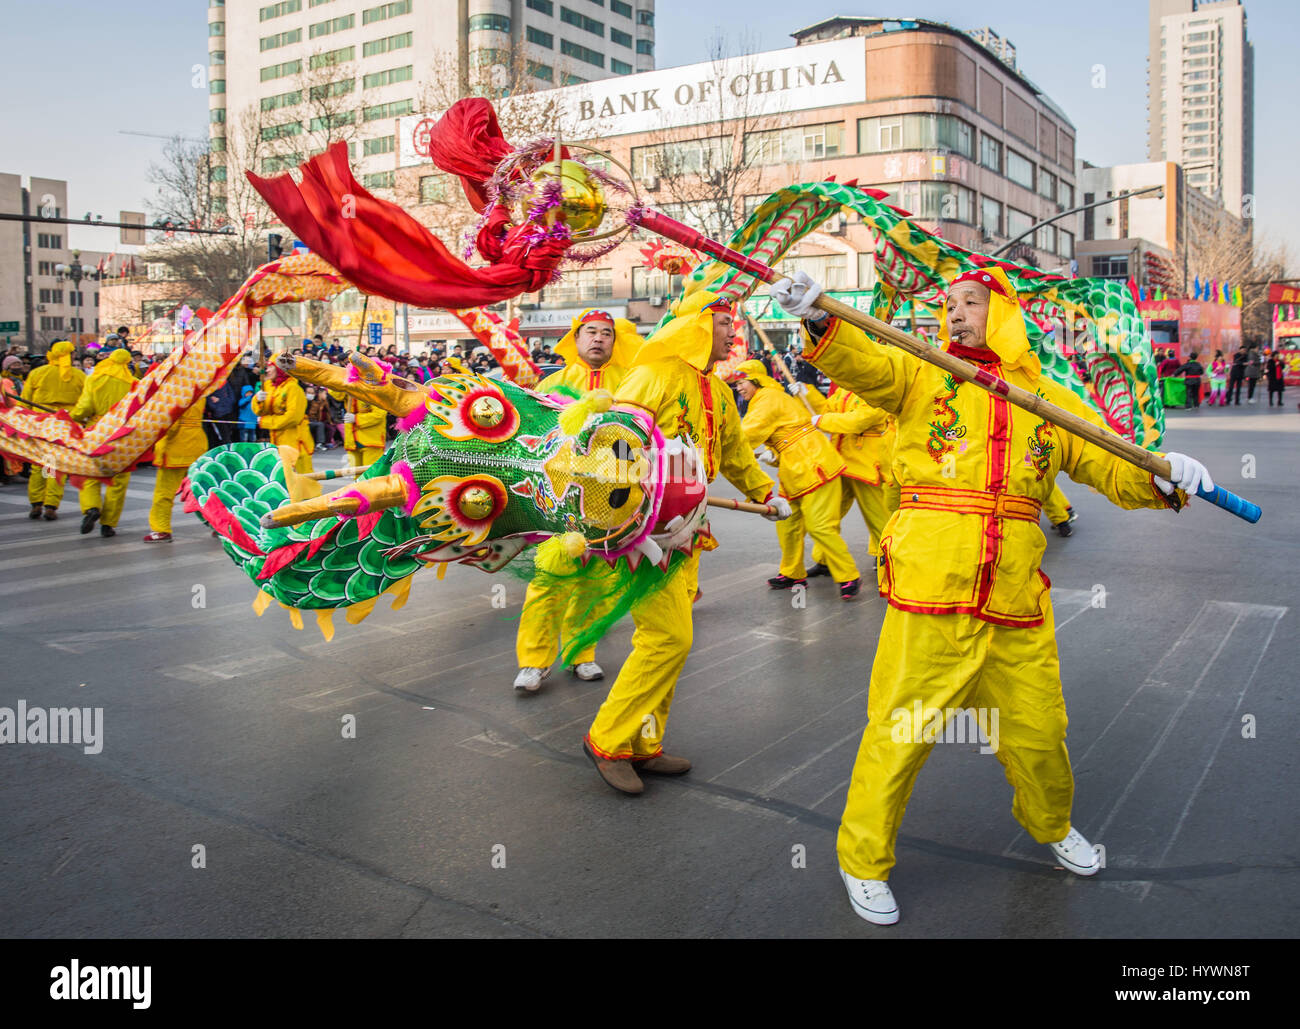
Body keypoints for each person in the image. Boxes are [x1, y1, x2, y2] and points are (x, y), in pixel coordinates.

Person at [773, 267, 1211, 925]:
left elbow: (1108, 462)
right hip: (931, 590)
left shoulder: (1050, 400)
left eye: (970, 303)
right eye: (947, 305)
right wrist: (818, 321)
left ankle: (1051, 821)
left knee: (1041, 732)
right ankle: (862, 859)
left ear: (1002, 313)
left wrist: (1165, 474)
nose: (954, 314)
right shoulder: (922, 372)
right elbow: (867, 366)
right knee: (901, 731)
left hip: (1014, 598)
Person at [582, 291, 788, 795]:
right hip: (645, 534)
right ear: (696, 327)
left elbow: (735, 451)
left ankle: (644, 743)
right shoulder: (654, 376)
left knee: (665, 641)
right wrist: (628, 510)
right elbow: (607, 444)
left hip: (688, 531)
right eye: (720, 321)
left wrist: (764, 491)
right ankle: (607, 739)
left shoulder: (716, 390)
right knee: (669, 638)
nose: (729, 331)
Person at [514, 309, 643, 693]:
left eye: (607, 333)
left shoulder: (633, 384)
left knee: (597, 585)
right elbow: (536, 437)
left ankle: (580, 655)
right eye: (591, 332)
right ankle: (534, 662)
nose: (599, 339)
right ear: (576, 337)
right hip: (563, 500)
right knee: (548, 582)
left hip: (612, 502)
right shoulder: (553, 384)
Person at [731, 359, 861, 599]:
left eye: (742, 383)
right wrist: (774, 454)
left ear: (756, 380)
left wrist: (718, 447)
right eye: (736, 384)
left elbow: (745, 435)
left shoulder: (768, 398)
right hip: (796, 468)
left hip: (814, 464)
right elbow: (784, 436)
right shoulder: (767, 398)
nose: (738, 388)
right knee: (787, 524)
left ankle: (848, 575)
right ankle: (792, 572)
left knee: (820, 526)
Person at [807, 383, 898, 572]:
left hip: (865, 462)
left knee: (877, 518)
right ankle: (825, 559)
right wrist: (807, 393)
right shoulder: (844, 390)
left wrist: (823, 421)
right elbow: (826, 409)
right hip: (840, 461)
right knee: (829, 516)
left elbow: (859, 420)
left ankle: (890, 558)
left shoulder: (876, 390)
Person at [69, 348, 136, 538]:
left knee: (89, 474)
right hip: (124, 435)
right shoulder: (135, 384)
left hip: (97, 431)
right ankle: (109, 523)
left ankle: (91, 507)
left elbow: (84, 407)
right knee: (119, 481)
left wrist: (73, 418)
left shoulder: (95, 379)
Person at [21, 340, 86, 519]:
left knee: (41, 464)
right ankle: (51, 504)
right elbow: (86, 403)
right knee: (56, 466)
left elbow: (24, 401)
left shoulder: (37, 373)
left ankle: (36, 502)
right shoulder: (79, 376)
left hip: (40, 425)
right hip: (64, 426)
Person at [143, 398, 209, 543]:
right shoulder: (200, 390)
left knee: (164, 493)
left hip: (175, 449)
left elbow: (170, 424)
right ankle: (220, 526)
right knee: (201, 491)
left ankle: (161, 529)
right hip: (196, 445)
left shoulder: (176, 391)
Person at [253, 362, 314, 472]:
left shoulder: (293, 388)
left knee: (301, 481)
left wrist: (265, 422)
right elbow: (260, 411)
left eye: (271, 367)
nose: (267, 370)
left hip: (295, 441)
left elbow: (293, 417)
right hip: (277, 440)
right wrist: (257, 400)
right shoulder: (267, 386)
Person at [305, 384, 333, 451]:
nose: (310, 395)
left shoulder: (316, 402)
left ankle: (320, 444)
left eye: (312, 393)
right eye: (308, 393)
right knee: (320, 425)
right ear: (305, 393)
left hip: (312, 420)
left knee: (323, 425)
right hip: (303, 421)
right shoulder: (301, 401)